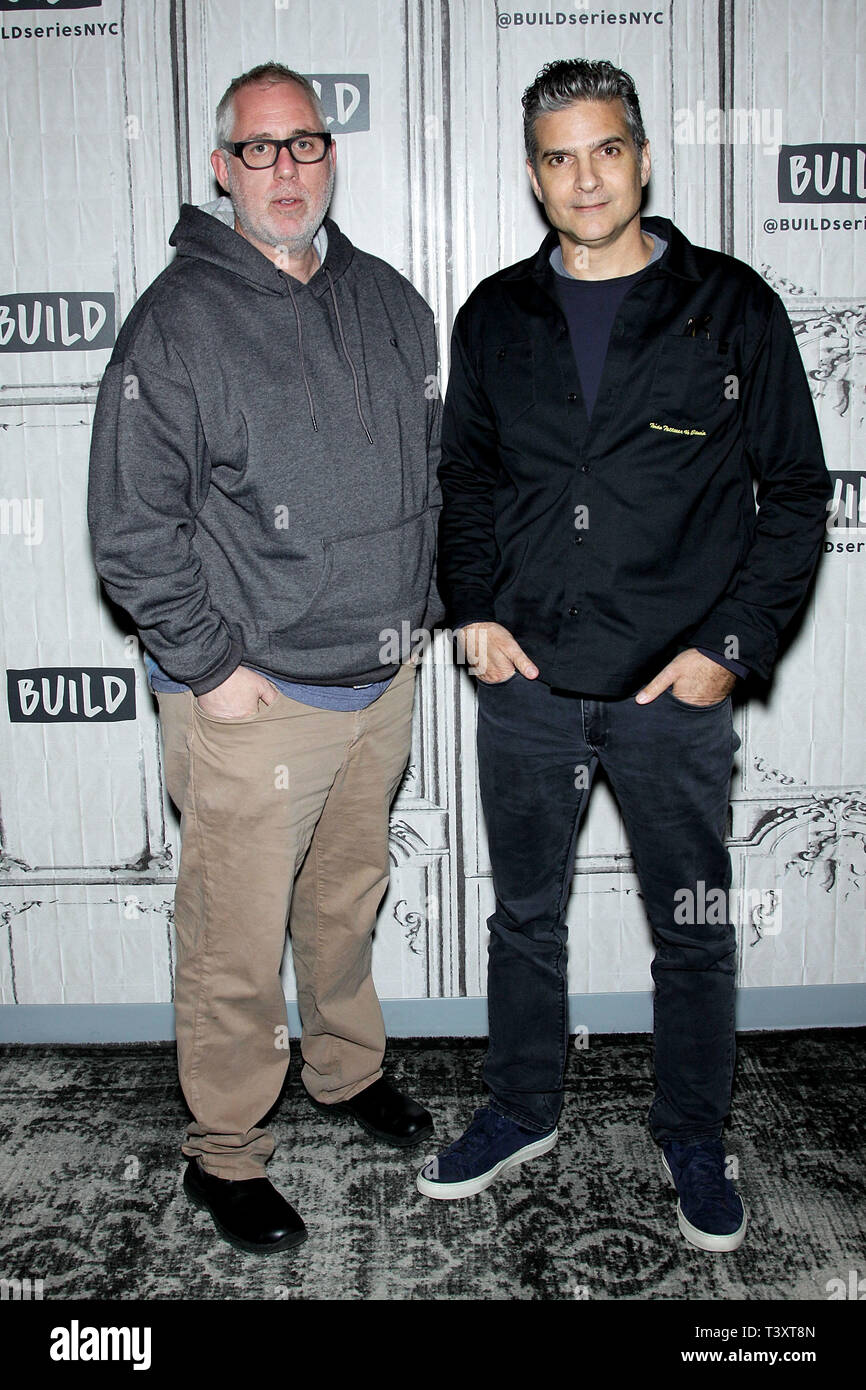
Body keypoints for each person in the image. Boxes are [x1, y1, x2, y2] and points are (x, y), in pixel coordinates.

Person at [420, 58, 830, 1253]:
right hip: (530, 686)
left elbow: (796, 492)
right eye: (557, 155)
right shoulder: (496, 313)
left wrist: (729, 647)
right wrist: (472, 612)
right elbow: (466, 482)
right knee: (523, 917)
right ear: (534, 174)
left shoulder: (731, 304)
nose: (582, 176)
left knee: (692, 922)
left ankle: (694, 1131)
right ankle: (518, 1106)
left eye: (604, 149)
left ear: (643, 159)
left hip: (673, 689)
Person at [88, 62, 442, 1256]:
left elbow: (427, 486)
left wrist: (423, 615)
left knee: (343, 909)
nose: (284, 169)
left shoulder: (391, 300)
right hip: (251, 699)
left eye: (304, 145)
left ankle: (344, 1075)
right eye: (259, 149)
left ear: (329, 155)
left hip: (377, 682)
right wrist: (209, 668)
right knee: (235, 943)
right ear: (219, 167)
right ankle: (225, 1153)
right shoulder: (175, 325)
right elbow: (133, 531)